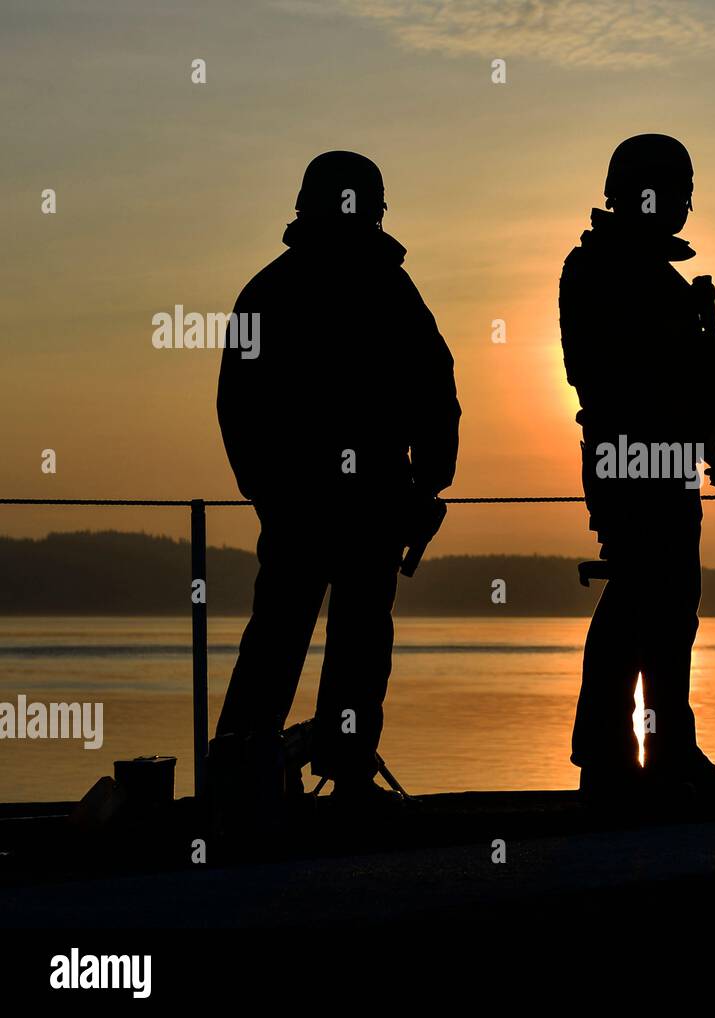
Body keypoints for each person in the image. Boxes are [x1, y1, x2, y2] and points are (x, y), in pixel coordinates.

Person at [214, 151, 460, 806]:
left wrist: (267, 491)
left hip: (318, 502)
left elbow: (237, 407)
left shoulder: (269, 290)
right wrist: (430, 480)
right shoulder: (388, 291)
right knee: (349, 641)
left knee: (283, 635)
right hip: (359, 500)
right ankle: (336, 770)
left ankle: (240, 770)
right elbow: (436, 389)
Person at [560, 134, 715, 804]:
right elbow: (610, 375)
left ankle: (661, 754)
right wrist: (698, 430)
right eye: (678, 188)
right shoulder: (606, 270)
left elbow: (699, 374)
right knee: (645, 604)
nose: (686, 203)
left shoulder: (652, 275)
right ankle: (619, 760)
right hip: (633, 458)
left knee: (666, 611)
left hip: (666, 459)